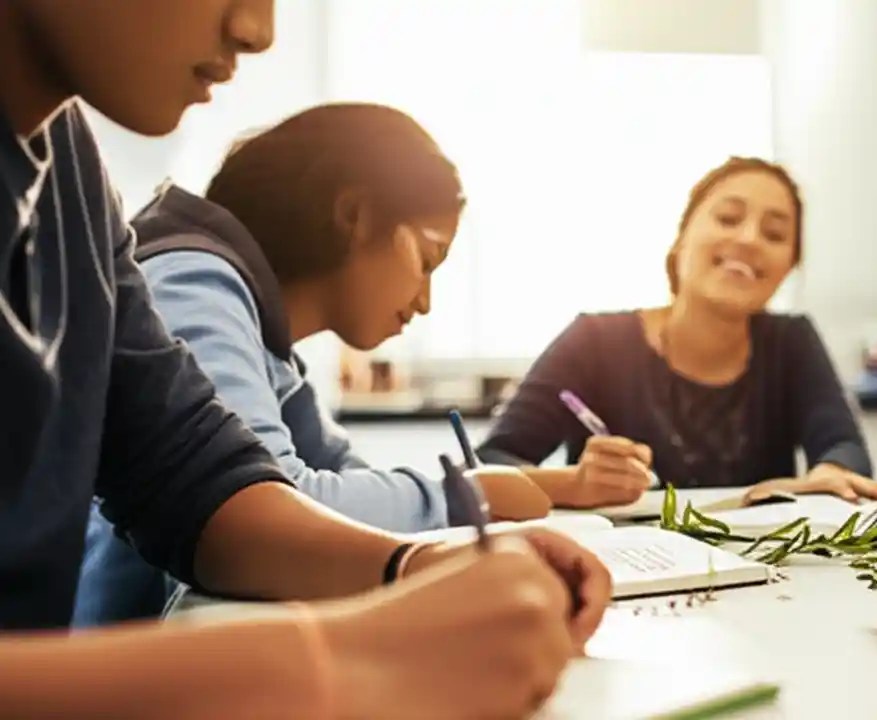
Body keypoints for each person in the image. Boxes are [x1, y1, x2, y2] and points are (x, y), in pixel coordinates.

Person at [0, 1, 606, 716]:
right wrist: (329, 662)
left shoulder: (70, 171)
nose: (258, 31)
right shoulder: (196, 271)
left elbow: (196, 483)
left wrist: (412, 563)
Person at [75, 103, 552, 627]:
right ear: (357, 216)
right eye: (426, 260)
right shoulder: (192, 279)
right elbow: (278, 504)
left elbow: (342, 473)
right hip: (120, 667)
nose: (426, 303)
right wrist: (459, 496)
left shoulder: (266, 337)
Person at [479, 156, 877, 507]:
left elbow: (845, 450)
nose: (749, 238)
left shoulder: (790, 342)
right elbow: (484, 468)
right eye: (728, 217)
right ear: (681, 238)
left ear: (787, 269)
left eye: (774, 233)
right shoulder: (595, 340)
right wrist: (572, 483)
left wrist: (831, 474)